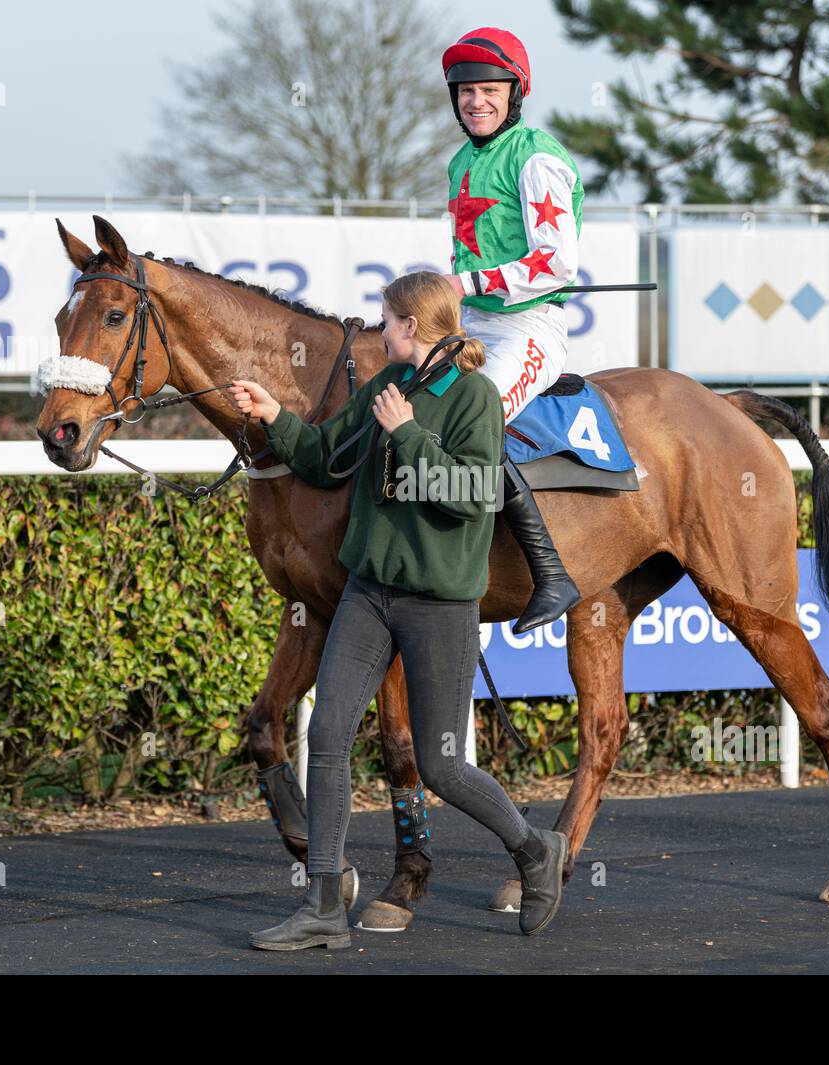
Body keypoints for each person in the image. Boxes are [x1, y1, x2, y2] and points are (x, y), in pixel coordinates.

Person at [232, 272, 568, 951]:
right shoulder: (388, 387)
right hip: (369, 593)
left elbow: (472, 494)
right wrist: (275, 416)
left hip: (439, 605)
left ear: (412, 325)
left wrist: (411, 436)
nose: (378, 330)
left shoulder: (473, 395)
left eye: (386, 320)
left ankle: (536, 850)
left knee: (442, 764)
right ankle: (324, 906)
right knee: (326, 734)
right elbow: (327, 458)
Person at [440, 26, 585, 636]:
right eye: (466, 91)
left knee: (476, 419)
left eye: (489, 89)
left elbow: (557, 262)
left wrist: (468, 286)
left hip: (529, 328)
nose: (476, 101)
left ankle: (551, 573)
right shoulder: (460, 162)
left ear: (514, 92)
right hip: (470, 326)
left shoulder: (538, 157)